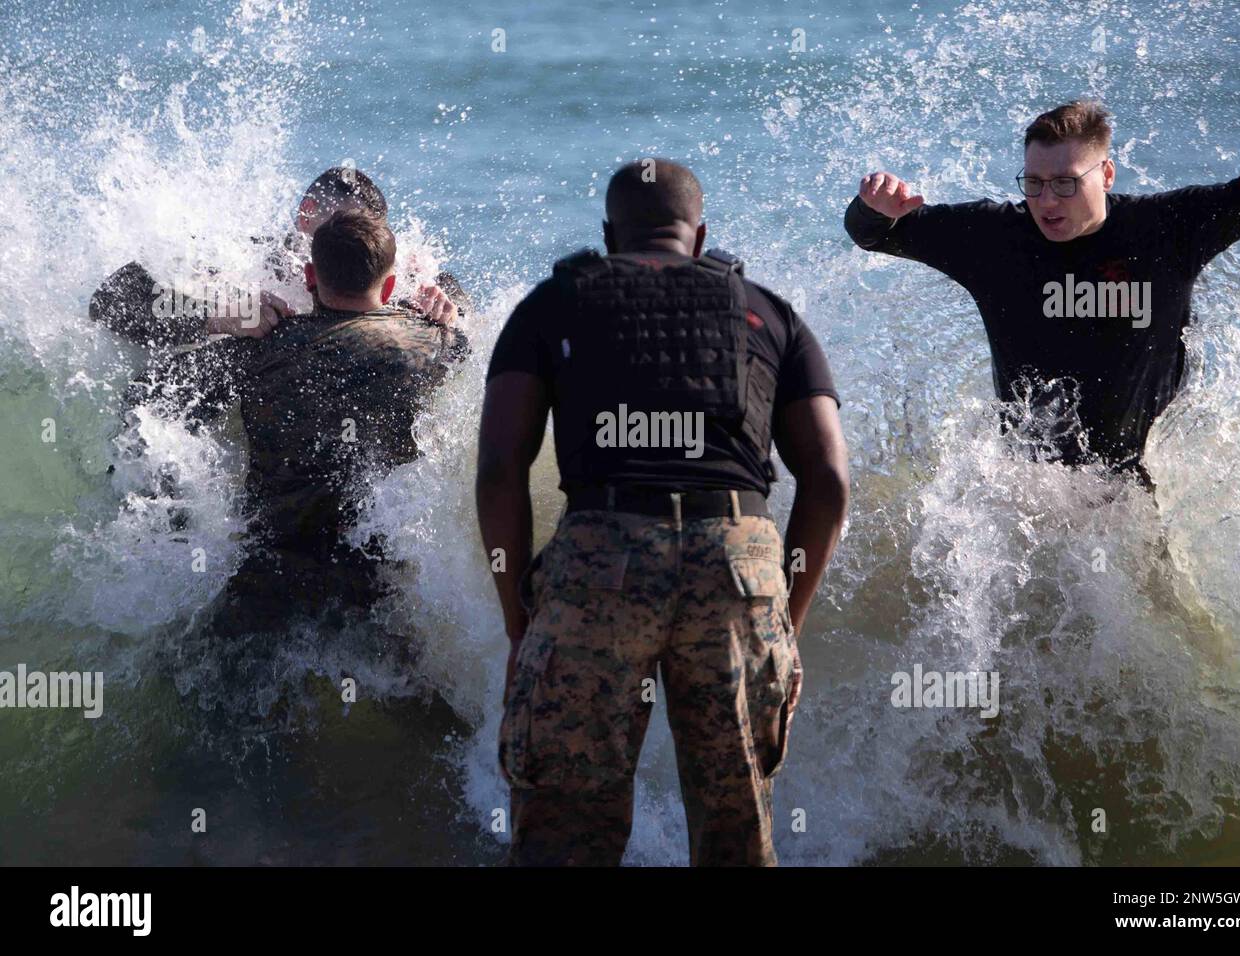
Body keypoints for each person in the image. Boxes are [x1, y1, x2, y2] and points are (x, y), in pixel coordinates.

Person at [476, 158, 849, 866]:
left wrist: (518, 621)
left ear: (609, 235)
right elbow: (828, 480)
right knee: (737, 830)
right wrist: (785, 623)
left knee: (563, 832)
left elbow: (500, 469)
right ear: (699, 236)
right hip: (739, 566)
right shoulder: (770, 311)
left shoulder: (552, 305)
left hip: (600, 562)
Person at [844, 100, 1240, 487]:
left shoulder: (1167, 230)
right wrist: (873, 207)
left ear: (1106, 174)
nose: (1046, 201)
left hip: (1141, 485)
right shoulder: (992, 238)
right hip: (1030, 486)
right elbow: (872, 234)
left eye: (1065, 184)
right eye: (1035, 184)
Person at [126, 208, 470, 632]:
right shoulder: (431, 345)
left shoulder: (259, 348)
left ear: (309, 276)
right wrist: (449, 312)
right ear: (394, 284)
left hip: (266, 584)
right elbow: (466, 336)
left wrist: (217, 319)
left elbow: (147, 390)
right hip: (375, 591)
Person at [89, 166, 466, 351]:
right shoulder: (241, 258)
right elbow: (111, 299)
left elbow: (455, 294)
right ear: (306, 214)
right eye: (340, 225)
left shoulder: (394, 269)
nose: (351, 244)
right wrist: (219, 317)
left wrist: (448, 308)